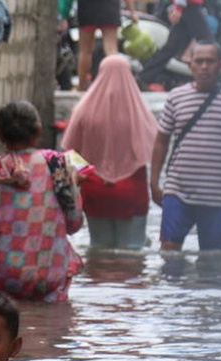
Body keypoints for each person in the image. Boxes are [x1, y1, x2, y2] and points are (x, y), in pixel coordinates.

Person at [0, 100, 84, 303]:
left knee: (7, 326)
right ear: (38, 130)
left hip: (5, 272)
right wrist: (76, 186)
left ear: (0, 135)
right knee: (53, 328)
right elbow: (74, 223)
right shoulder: (59, 165)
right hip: (51, 270)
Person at [150, 40, 221, 251]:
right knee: (170, 255)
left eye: (210, 61)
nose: (205, 67)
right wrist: (154, 182)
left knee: (217, 263)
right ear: (190, 65)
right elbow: (161, 141)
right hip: (178, 191)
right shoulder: (176, 98)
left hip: (219, 195)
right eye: (199, 61)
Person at [62, 54, 159, 249]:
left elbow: (69, 153)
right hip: (131, 189)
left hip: (96, 189)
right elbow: (155, 149)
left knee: (99, 249)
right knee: (132, 251)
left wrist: (89, 174)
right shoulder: (138, 111)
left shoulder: (83, 110)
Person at [136, 0, 216, 90]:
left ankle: (143, 77)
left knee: (171, 47)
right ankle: (216, 82)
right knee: (209, 44)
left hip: (186, 7)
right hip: (189, 6)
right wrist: (178, 8)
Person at [75, 0, 138, 90]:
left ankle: (81, 86)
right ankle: (114, 85)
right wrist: (132, 12)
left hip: (87, 7)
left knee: (85, 51)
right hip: (110, 7)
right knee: (111, 49)